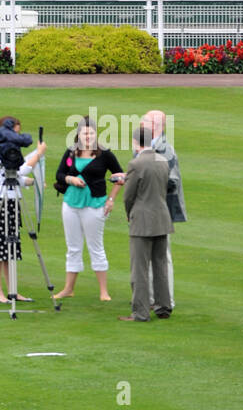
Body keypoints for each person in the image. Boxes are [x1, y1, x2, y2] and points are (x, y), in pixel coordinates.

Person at [53, 117, 124, 301]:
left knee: (96, 247)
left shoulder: (105, 154)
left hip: (94, 205)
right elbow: (59, 174)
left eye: (91, 133)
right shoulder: (71, 152)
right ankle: (68, 288)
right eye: (84, 133)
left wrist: (111, 199)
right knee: (73, 247)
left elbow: (120, 176)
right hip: (71, 203)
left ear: (96, 133)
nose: (88, 136)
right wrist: (71, 180)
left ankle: (103, 291)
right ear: (78, 134)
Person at [0, 116, 47, 304]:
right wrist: (38, 154)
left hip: (11, 201)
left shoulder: (9, 151)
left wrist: (32, 183)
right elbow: (20, 170)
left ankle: (13, 290)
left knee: (10, 248)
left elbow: (14, 176)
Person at [119, 124, 174, 322]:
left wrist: (129, 214)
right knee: (160, 265)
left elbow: (128, 196)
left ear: (135, 142)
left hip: (142, 220)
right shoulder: (163, 161)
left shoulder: (136, 164)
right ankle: (163, 307)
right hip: (161, 218)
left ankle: (141, 312)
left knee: (140, 268)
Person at [132, 109, 185, 309]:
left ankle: (166, 300)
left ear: (155, 125)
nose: (140, 123)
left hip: (161, 210)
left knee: (162, 257)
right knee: (148, 256)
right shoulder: (143, 145)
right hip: (146, 208)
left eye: (144, 120)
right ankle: (152, 298)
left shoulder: (166, 150)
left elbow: (173, 182)